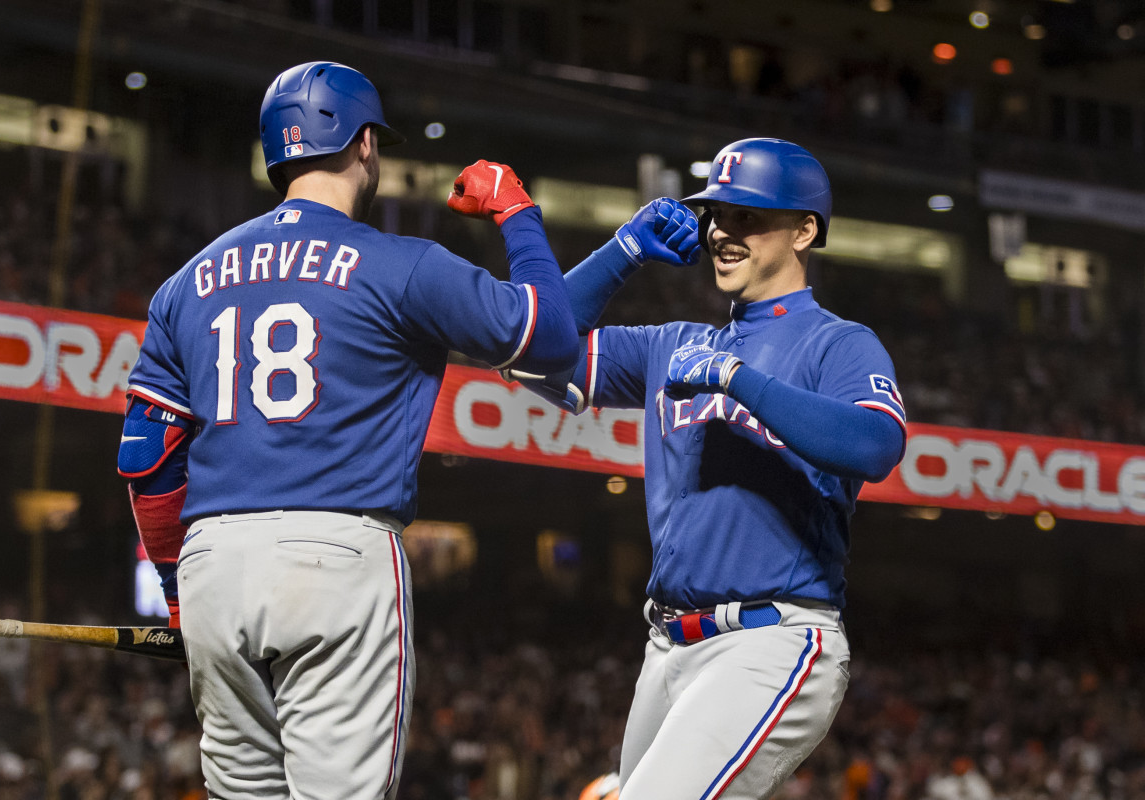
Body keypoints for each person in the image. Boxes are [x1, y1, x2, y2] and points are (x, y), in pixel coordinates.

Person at [115, 61, 582, 800]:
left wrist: (177, 593)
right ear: (365, 143)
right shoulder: (402, 264)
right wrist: (516, 212)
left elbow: (146, 460)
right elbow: (552, 337)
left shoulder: (185, 281)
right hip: (337, 556)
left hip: (213, 565)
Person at [513, 138, 907, 799]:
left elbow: (876, 446)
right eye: (716, 215)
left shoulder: (837, 343)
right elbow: (530, 351)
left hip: (771, 639)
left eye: (748, 217)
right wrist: (624, 253)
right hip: (666, 646)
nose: (722, 231)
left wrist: (738, 380)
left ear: (805, 230)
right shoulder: (673, 344)